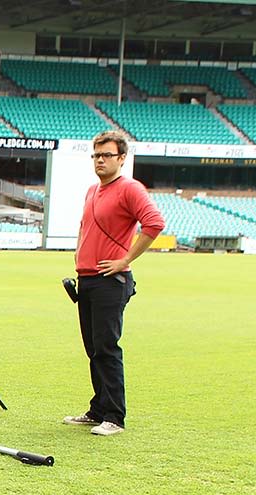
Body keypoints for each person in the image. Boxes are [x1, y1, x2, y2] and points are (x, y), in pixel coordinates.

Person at [64, 130, 164, 437]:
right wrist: (81, 254)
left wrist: (125, 259)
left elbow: (154, 223)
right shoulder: (93, 191)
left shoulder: (130, 189)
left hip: (111, 279)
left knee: (107, 347)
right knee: (93, 347)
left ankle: (115, 416)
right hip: (88, 278)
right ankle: (98, 409)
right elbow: (84, 226)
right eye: (96, 155)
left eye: (106, 155)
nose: (100, 161)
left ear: (122, 158)